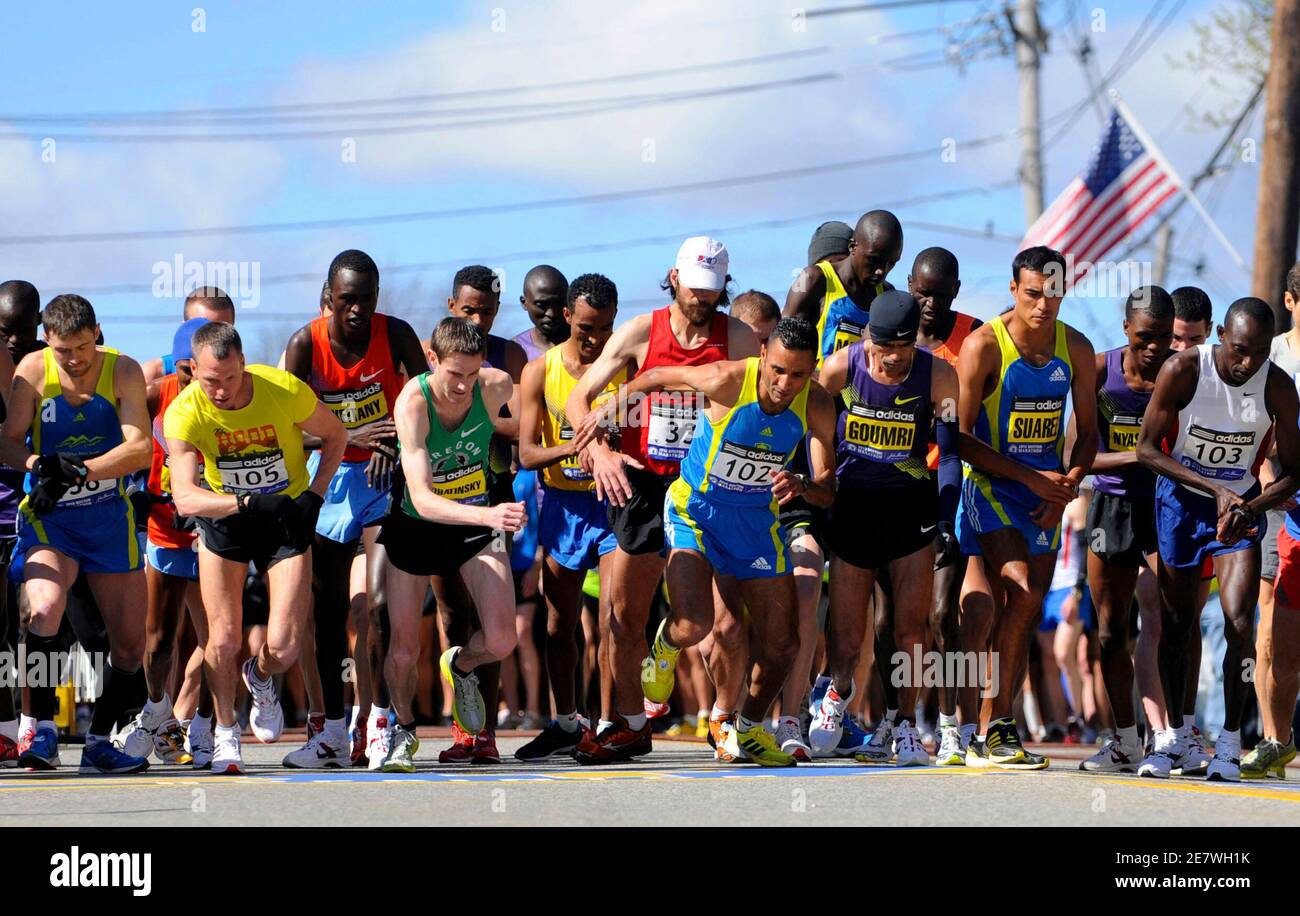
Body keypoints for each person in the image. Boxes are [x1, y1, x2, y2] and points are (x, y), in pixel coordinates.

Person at [578, 316, 836, 765]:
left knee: (783, 645)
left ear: (812, 369)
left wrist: (801, 484)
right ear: (762, 357)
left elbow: (827, 487)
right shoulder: (726, 379)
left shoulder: (816, 404)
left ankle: (751, 728)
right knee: (695, 623)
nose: (783, 384)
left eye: (797, 374)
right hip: (695, 510)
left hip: (754, 522)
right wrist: (605, 411)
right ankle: (665, 645)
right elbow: (656, 375)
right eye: (777, 370)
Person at [565, 237, 760, 762]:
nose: (701, 301)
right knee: (623, 617)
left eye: (712, 292)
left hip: (709, 488)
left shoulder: (737, 336)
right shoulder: (638, 332)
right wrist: (599, 453)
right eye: (694, 290)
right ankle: (629, 724)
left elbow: (762, 401)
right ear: (673, 278)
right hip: (643, 484)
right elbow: (578, 397)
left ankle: (721, 718)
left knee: (720, 622)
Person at [165, 321, 347, 774]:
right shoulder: (186, 411)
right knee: (222, 638)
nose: (221, 390)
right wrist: (244, 501)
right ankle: (226, 735)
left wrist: (316, 495)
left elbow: (336, 435)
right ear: (193, 370)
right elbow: (185, 496)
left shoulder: (281, 389)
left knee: (284, 646)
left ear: (243, 364)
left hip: (285, 519)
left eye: (229, 378)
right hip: (226, 521)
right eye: (210, 380)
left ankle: (260, 677)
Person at [1137, 297, 1300, 782]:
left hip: (1242, 513)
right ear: (1221, 337)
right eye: (1240, 350)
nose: (1247, 363)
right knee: (1177, 623)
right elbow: (1145, 449)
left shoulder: (1277, 386)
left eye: (1259, 353)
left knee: (1239, 624)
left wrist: (1248, 506)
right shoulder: (1185, 369)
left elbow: (1294, 473)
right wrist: (1216, 489)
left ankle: (1230, 742)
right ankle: (1174, 737)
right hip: (1182, 504)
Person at [281, 250, 426, 769]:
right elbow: (285, 431)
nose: (358, 310)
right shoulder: (305, 344)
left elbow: (425, 399)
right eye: (347, 300)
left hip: (383, 478)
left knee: (378, 606)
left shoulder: (399, 334)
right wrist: (344, 437)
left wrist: (397, 443)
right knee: (326, 613)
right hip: (329, 481)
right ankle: (333, 735)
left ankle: (382, 724)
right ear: (328, 299)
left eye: (366, 299)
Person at [955, 246, 1097, 769]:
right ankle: (981, 726)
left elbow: (1087, 435)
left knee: (1026, 606)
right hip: (991, 485)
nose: (1043, 304)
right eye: (1033, 293)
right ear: (1014, 289)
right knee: (1015, 588)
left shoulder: (1075, 347)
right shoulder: (983, 346)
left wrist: (1068, 487)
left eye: (1053, 294)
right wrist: (1032, 480)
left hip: (1044, 495)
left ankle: (997, 725)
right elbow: (961, 439)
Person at [806, 291, 961, 766]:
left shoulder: (939, 374)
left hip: (909, 508)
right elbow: (807, 419)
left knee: (911, 629)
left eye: (903, 353)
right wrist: (819, 478)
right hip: (853, 509)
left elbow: (951, 453)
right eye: (884, 352)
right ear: (869, 337)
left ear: (915, 342)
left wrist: (946, 518)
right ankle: (838, 690)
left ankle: (906, 726)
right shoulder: (839, 367)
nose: (892, 362)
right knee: (848, 637)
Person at [3, 295, 152, 774]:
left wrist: (79, 470)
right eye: (64, 350)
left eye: (83, 347)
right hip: (53, 520)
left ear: (98, 334)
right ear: (49, 340)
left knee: (129, 646)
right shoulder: (33, 370)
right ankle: (42, 730)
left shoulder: (123, 370)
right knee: (43, 609)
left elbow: (141, 449)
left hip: (109, 518)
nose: (75, 360)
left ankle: (99, 741)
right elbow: (7, 440)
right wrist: (37, 464)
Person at [374, 316, 524, 772]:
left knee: (501, 639)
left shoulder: (496, 385)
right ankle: (401, 729)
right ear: (433, 360)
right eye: (454, 374)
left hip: (475, 525)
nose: (463, 386)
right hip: (418, 524)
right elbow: (420, 496)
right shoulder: (412, 403)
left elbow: (531, 421)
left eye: (471, 374)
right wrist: (489, 513)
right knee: (402, 649)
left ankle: (459, 666)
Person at [514, 274, 621, 760]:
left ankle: (608, 724)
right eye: (585, 329)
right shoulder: (540, 371)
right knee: (559, 625)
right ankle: (564, 722)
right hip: (561, 506)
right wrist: (577, 448)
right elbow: (527, 453)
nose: (595, 339)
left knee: (615, 618)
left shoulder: (626, 364)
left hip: (614, 501)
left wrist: (615, 453)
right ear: (565, 319)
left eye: (603, 328)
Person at [1077, 287, 1175, 772]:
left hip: (1164, 504)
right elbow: (1081, 458)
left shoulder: (1185, 373)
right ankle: (1124, 740)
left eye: (1162, 337)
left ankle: (1175, 736)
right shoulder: (1099, 371)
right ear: (1125, 331)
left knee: (1173, 619)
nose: (1153, 348)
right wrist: (1141, 454)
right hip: (1112, 504)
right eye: (1143, 338)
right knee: (1112, 631)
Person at [116, 317, 215, 768]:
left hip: (213, 527)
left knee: (219, 635)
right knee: (159, 638)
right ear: (182, 366)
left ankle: (203, 726)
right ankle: (156, 709)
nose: (209, 383)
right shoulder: (157, 392)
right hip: (164, 525)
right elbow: (121, 443)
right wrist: (134, 488)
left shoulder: (232, 392)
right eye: (196, 372)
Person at [437, 265, 525, 763]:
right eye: (469, 310)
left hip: (493, 497)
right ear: (452, 308)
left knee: (495, 619)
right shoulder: (439, 353)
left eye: (487, 311)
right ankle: (461, 730)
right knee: (453, 614)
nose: (478, 319)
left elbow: (521, 427)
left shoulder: (509, 356)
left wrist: (494, 425)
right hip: (442, 501)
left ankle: (485, 732)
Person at [909, 247, 982, 766]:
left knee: (942, 612)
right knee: (894, 616)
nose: (930, 303)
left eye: (940, 293)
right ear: (909, 286)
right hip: (894, 485)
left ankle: (952, 726)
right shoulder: (889, 334)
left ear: (956, 290)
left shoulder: (975, 337)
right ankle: (902, 722)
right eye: (921, 292)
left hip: (952, 483)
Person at [1246, 262, 1300, 779]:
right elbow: (1257, 427)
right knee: (1269, 634)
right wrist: (1267, 483)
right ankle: (1272, 738)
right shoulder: (1274, 356)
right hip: (1279, 506)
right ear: (1289, 301)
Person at [784, 210, 902, 365]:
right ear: (853, 247)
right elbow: (783, 349)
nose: (882, 270)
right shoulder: (814, 280)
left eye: (891, 263)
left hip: (862, 389)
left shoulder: (886, 295)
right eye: (874, 260)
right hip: (818, 387)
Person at [142, 290, 235, 383]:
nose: (213, 339)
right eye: (202, 329)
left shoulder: (242, 379)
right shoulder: (152, 375)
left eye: (223, 331)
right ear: (184, 327)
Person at [515, 265, 570, 358]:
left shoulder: (590, 344)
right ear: (524, 303)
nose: (552, 314)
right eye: (541, 305)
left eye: (559, 303)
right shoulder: (515, 350)